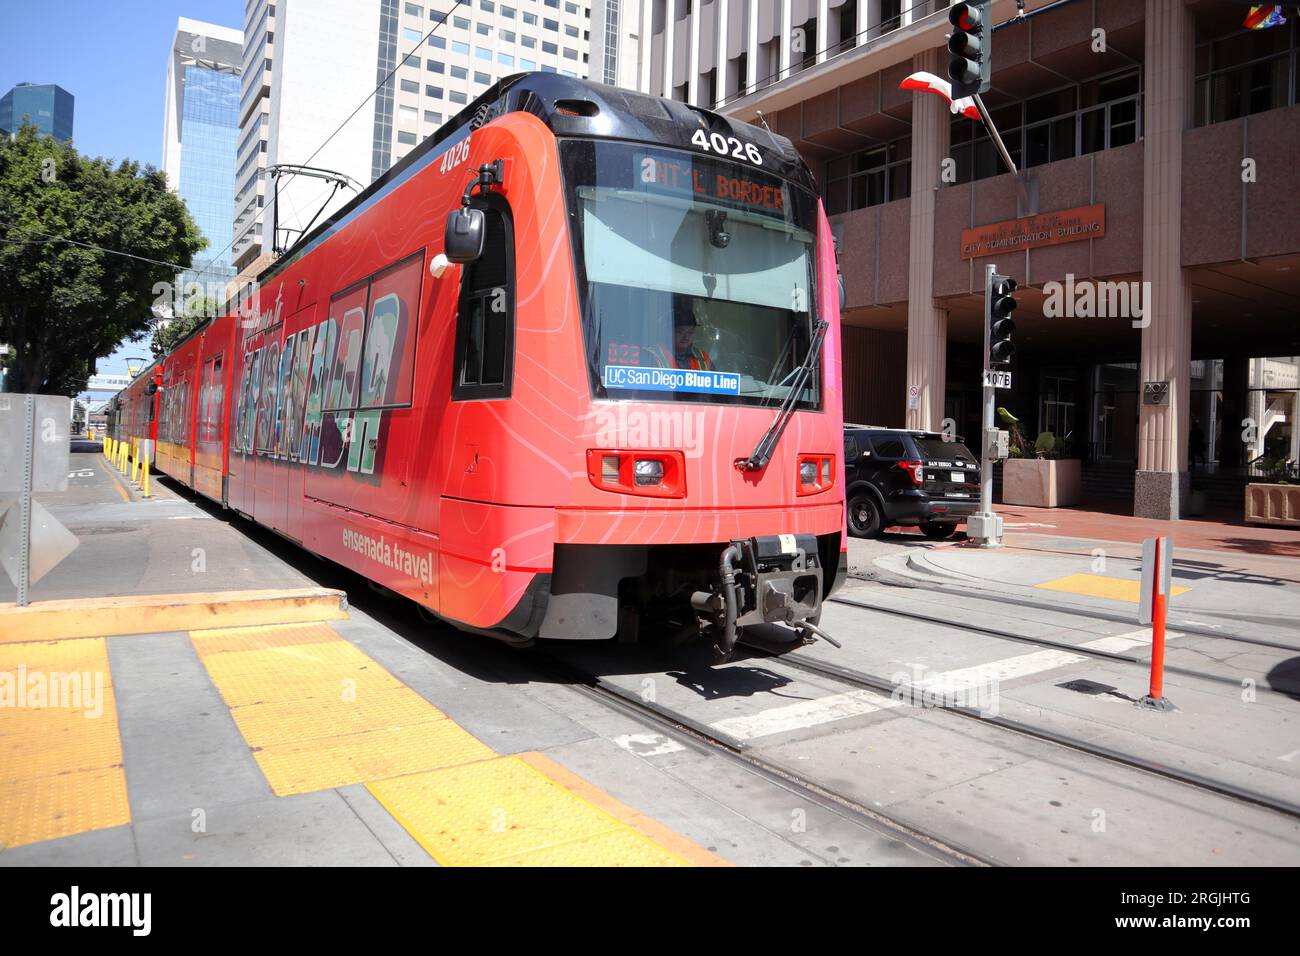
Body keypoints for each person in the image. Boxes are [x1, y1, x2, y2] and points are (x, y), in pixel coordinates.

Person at [648, 298, 713, 370]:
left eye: (690, 332)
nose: (686, 336)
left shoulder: (703, 358)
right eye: (680, 331)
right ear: (669, 332)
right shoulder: (653, 355)